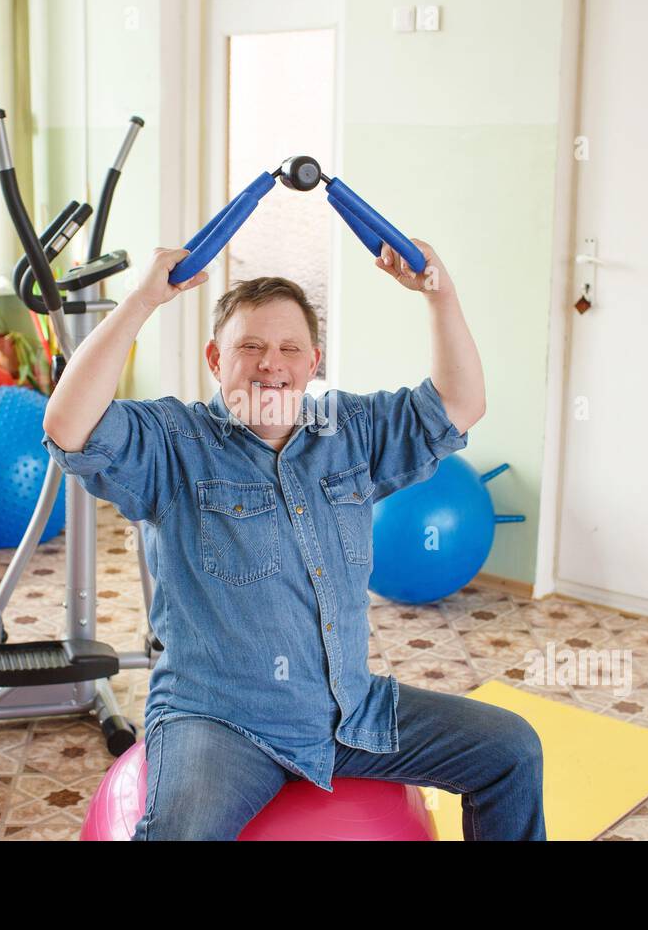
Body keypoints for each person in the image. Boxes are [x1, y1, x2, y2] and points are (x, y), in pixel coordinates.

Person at [42, 239, 546, 840]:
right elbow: (68, 424)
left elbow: (461, 404)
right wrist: (144, 299)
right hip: (219, 722)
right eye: (249, 347)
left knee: (511, 749)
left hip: (349, 712)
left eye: (289, 349)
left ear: (314, 362)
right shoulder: (174, 441)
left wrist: (440, 294)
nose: (270, 364)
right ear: (215, 359)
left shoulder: (351, 432)